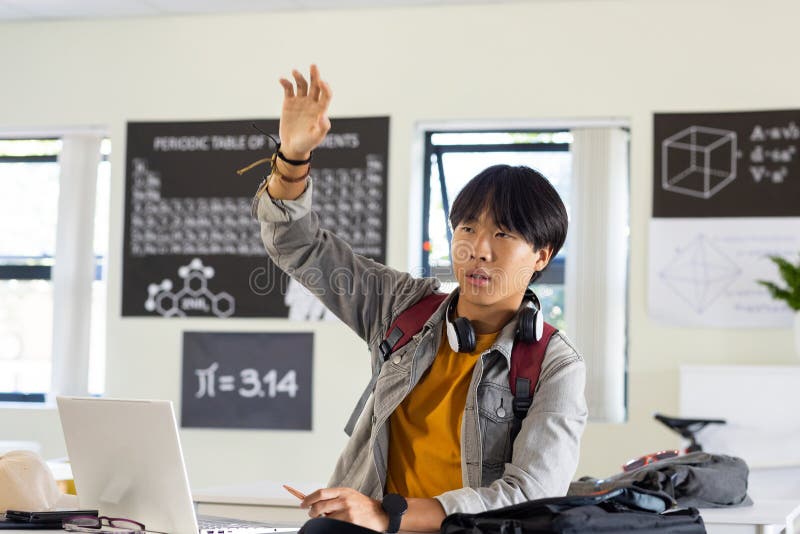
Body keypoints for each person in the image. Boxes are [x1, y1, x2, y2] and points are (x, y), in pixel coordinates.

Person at [254, 65, 587, 533]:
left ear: (541, 255)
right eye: (467, 228)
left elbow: (531, 494)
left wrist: (390, 515)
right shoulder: (403, 308)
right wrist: (292, 157)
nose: (478, 249)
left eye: (503, 233)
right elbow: (298, 244)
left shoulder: (554, 364)